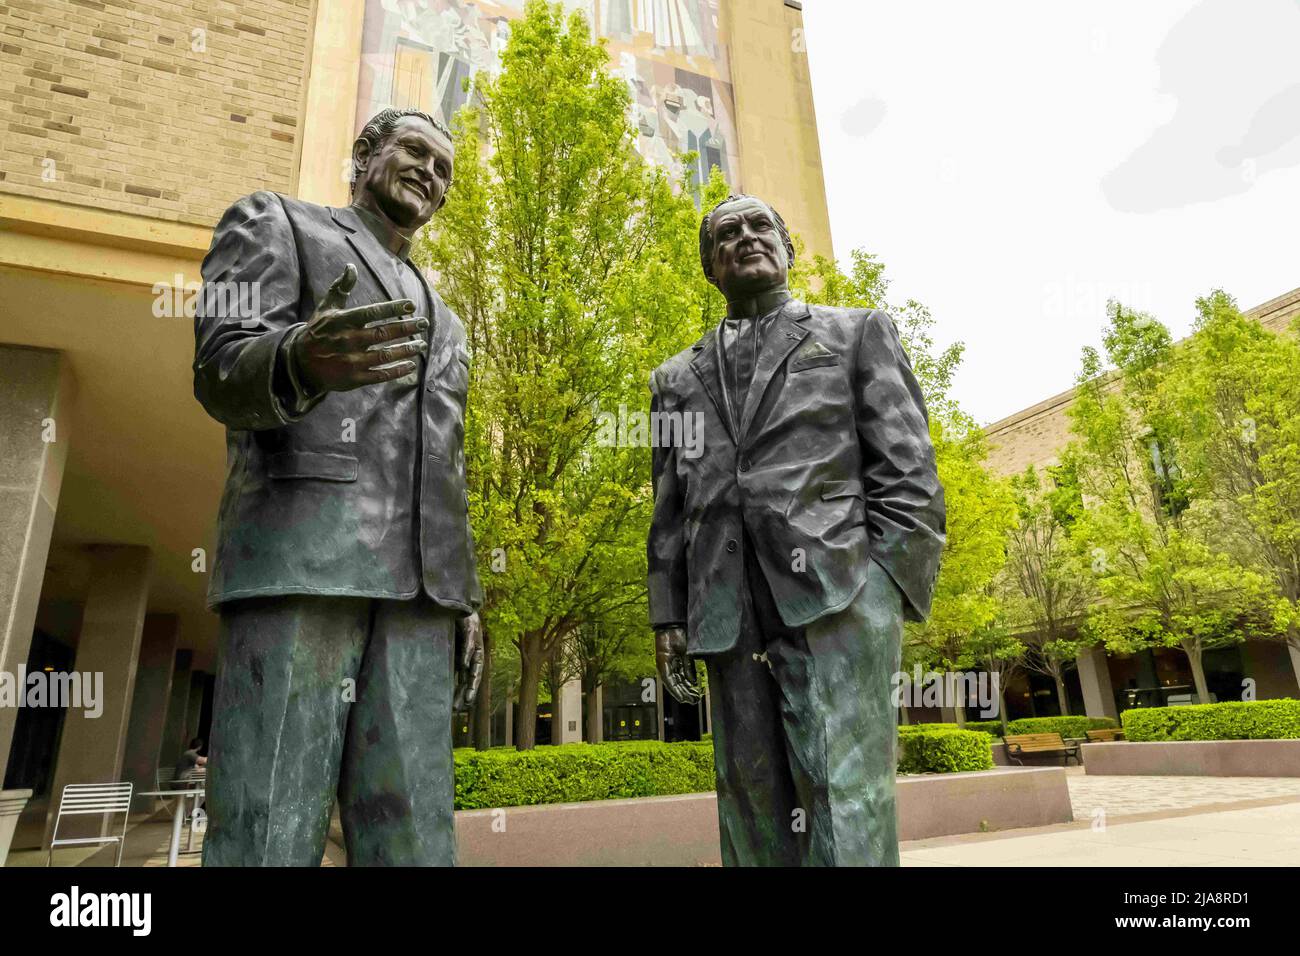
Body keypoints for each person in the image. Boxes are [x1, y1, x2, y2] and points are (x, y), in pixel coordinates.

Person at [193, 107, 484, 866]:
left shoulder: (448, 321)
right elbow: (219, 369)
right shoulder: (276, 224)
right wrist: (297, 360)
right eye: (415, 151)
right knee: (268, 828)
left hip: (421, 598)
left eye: (444, 169)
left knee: (416, 835)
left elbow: (445, 464)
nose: (430, 171)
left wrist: (464, 597)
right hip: (303, 560)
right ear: (364, 154)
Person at [647, 194, 946, 866]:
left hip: (838, 595)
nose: (746, 237)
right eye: (728, 232)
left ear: (786, 248)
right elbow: (668, 504)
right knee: (750, 802)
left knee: (844, 797)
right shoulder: (672, 380)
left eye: (761, 226)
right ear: (709, 265)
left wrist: (882, 592)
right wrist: (668, 616)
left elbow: (909, 475)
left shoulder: (855, 332)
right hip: (728, 610)